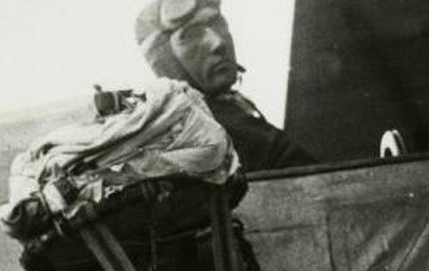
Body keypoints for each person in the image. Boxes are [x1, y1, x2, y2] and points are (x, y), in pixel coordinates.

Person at [134, 0, 317, 172]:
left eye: (218, 24)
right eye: (191, 36)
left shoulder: (234, 112)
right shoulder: (203, 130)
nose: (218, 43)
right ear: (166, 60)